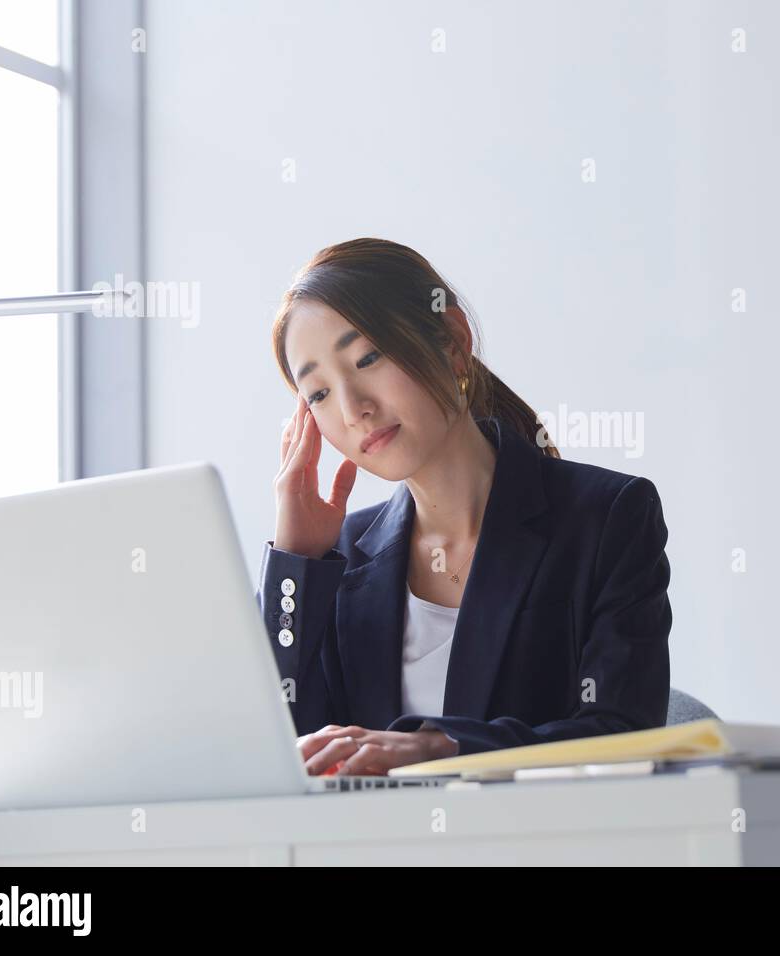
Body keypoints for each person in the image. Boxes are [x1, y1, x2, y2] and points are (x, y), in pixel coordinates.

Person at [256, 238, 672, 776]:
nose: (354, 408)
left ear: (452, 341)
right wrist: (296, 566)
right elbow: (273, 759)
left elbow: (623, 735)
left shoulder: (606, 516)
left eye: (368, 357)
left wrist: (442, 748)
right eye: (318, 394)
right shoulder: (331, 561)